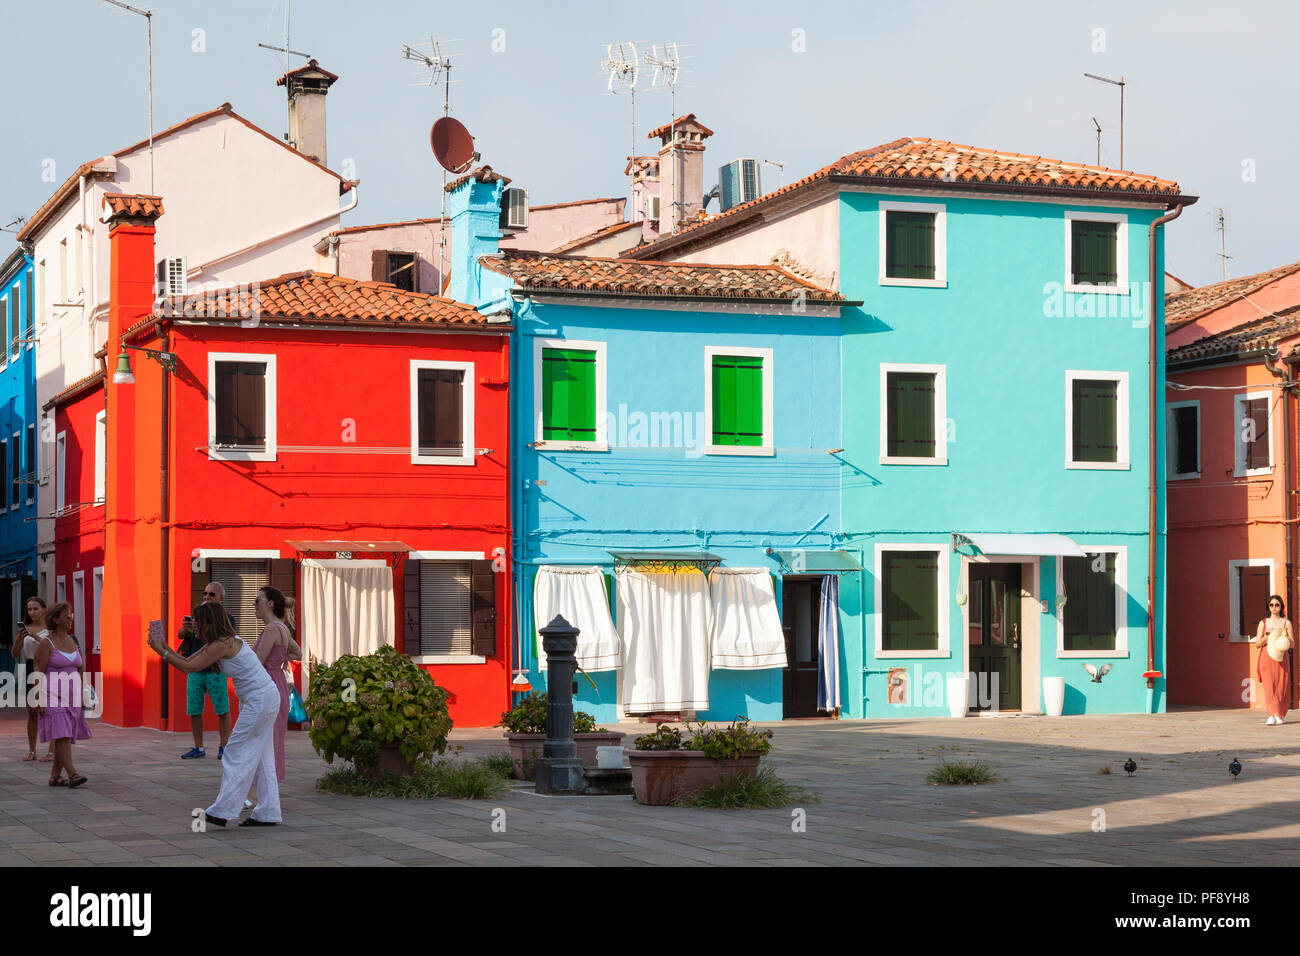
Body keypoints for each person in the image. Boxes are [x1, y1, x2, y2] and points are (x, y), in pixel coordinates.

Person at [147, 601, 281, 827]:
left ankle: (223, 811)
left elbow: (188, 668)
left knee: (234, 752)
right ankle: (268, 812)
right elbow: (189, 661)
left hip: (260, 700)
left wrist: (161, 652)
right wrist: (164, 647)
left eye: (197, 622)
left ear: (209, 622)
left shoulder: (222, 644)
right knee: (262, 758)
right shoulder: (222, 641)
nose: (194, 627)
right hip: (263, 698)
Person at [32, 602, 91, 788]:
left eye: (71, 615)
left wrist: (83, 692)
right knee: (63, 734)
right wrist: (38, 698)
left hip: (72, 697)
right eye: (66, 615)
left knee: (62, 736)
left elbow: (81, 667)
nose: (70, 618)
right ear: (55, 619)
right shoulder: (45, 643)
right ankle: (73, 774)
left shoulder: (72, 640)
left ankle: (55, 777)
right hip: (51, 695)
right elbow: (38, 671)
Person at [179, 581, 235, 759]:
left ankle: (224, 747)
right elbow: (181, 635)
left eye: (211, 594)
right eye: (205, 593)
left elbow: (226, 637)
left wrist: (201, 628)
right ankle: (198, 747)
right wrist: (187, 629)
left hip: (215, 669)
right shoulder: (198, 615)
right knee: (194, 709)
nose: (207, 597)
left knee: (222, 708)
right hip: (196, 668)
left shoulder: (226, 617)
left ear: (221, 598)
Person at [253, 586, 302, 783]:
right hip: (278, 682)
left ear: (270, 603)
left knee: (263, 739)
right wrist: (281, 660)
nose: (254, 605)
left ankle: (260, 790)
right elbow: (298, 653)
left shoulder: (272, 629)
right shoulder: (283, 628)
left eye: (257, 600)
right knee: (274, 738)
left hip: (267, 684)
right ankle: (266, 788)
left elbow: (257, 661)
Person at [17, 597, 54, 763]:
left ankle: (52, 752)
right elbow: (14, 653)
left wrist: (37, 638)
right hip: (30, 668)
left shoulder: (51, 629)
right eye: (29, 609)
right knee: (32, 712)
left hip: (47, 668)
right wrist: (20, 638)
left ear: (44, 609)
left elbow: (54, 649)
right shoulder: (27, 629)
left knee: (50, 711)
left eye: (35, 608)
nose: (32, 612)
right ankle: (32, 751)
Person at [1254, 594, 1292, 726]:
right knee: (1269, 686)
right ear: (1268, 607)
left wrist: (1286, 637)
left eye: (1277, 605)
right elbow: (1257, 644)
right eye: (1271, 605)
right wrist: (1266, 637)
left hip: (1282, 656)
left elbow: (1292, 644)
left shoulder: (1286, 623)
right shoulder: (1263, 623)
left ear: (1281, 607)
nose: (1274, 607)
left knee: (1282, 686)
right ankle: (1271, 714)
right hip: (1267, 656)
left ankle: (1280, 714)